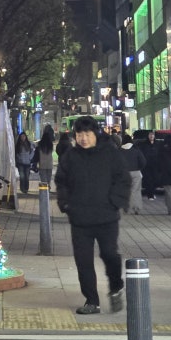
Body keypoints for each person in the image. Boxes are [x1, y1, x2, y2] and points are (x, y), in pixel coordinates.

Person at [55, 115, 131, 315]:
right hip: (80, 219)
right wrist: (66, 204)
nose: (83, 138)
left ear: (95, 134)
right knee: (83, 261)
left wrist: (115, 202)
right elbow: (61, 181)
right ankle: (91, 300)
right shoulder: (70, 156)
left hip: (106, 218)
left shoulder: (111, 154)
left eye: (87, 134)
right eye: (79, 134)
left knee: (110, 255)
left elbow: (123, 179)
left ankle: (116, 287)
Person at [120, 133, 145, 215]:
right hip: (136, 172)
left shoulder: (119, 150)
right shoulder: (136, 150)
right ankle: (136, 208)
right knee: (136, 191)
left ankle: (127, 208)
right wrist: (139, 168)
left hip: (124, 174)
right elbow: (143, 161)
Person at [139, 130, 160, 200]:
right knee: (148, 180)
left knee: (155, 179)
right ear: (148, 136)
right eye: (150, 135)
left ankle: (152, 193)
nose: (151, 136)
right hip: (147, 165)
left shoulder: (157, 144)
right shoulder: (144, 145)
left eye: (153, 135)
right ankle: (150, 195)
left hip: (155, 165)